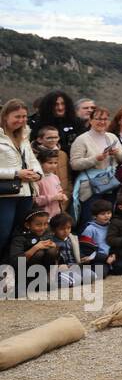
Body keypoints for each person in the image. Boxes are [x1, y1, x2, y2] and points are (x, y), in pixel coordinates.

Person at [0, 99, 40, 260]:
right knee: (3, 233)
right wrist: (16, 173)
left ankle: (10, 271)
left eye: (24, 116)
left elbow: (32, 160)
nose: (22, 120)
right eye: (17, 116)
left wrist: (38, 173)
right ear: (5, 117)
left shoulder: (24, 137)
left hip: (26, 192)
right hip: (5, 194)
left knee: (18, 236)